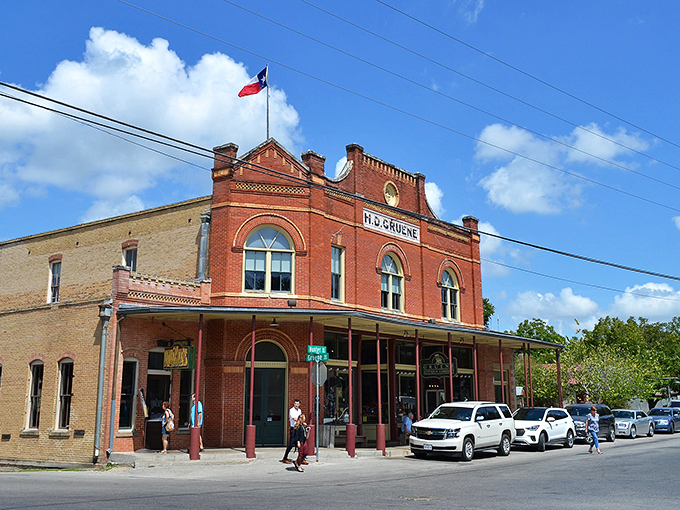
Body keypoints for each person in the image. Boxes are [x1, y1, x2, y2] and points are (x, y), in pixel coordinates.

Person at [281, 399, 302, 464]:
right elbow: (294, 418)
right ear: (294, 404)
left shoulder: (299, 410)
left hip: (298, 429)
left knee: (300, 443)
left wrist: (302, 423)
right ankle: (285, 458)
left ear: (299, 404)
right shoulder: (291, 410)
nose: (296, 405)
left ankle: (301, 458)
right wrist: (301, 422)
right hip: (293, 429)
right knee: (291, 444)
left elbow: (301, 418)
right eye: (295, 403)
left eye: (297, 404)